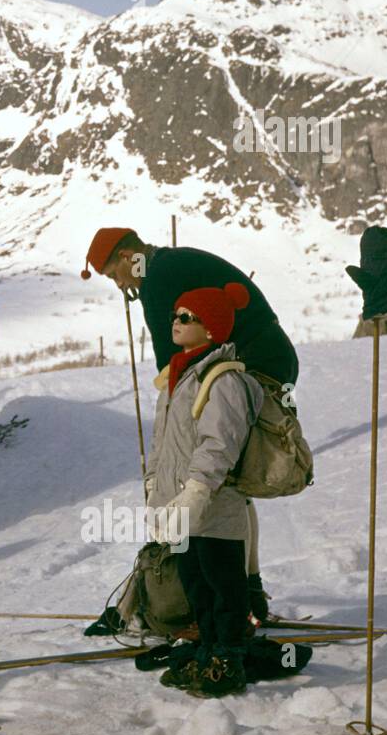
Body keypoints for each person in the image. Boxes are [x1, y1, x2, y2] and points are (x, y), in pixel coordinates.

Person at [82, 226, 296, 623]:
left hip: (252, 364)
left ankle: (231, 601)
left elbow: (175, 363)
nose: (119, 284)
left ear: (129, 256)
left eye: (115, 274)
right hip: (268, 357)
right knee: (233, 479)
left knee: (225, 477)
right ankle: (246, 593)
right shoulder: (169, 264)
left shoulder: (157, 278)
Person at [146, 284, 265, 697]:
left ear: (211, 329)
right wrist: (154, 489)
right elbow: (164, 443)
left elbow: (219, 444)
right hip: (179, 508)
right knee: (196, 586)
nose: (175, 322)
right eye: (176, 314)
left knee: (224, 588)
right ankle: (208, 652)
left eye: (186, 317)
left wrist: (196, 492)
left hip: (215, 508)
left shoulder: (224, 380)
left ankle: (228, 659)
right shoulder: (177, 375)